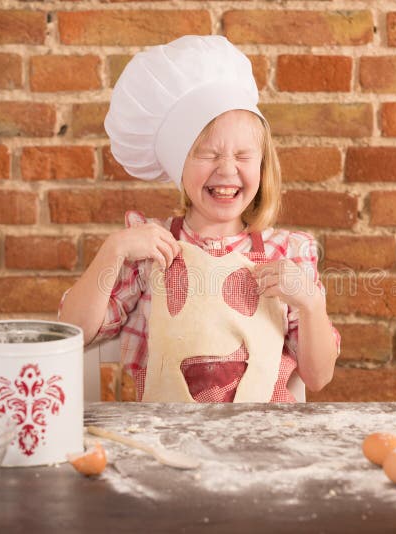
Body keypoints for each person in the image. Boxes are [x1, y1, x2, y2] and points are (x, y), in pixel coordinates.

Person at [58, 35, 339, 402]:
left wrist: (309, 303)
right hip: (167, 439)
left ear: (262, 164)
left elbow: (317, 378)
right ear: (179, 165)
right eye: (207, 155)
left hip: (263, 445)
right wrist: (113, 251)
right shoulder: (151, 247)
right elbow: (72, 331)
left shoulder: (286, 251)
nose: (227, 170)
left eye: (243, 155)